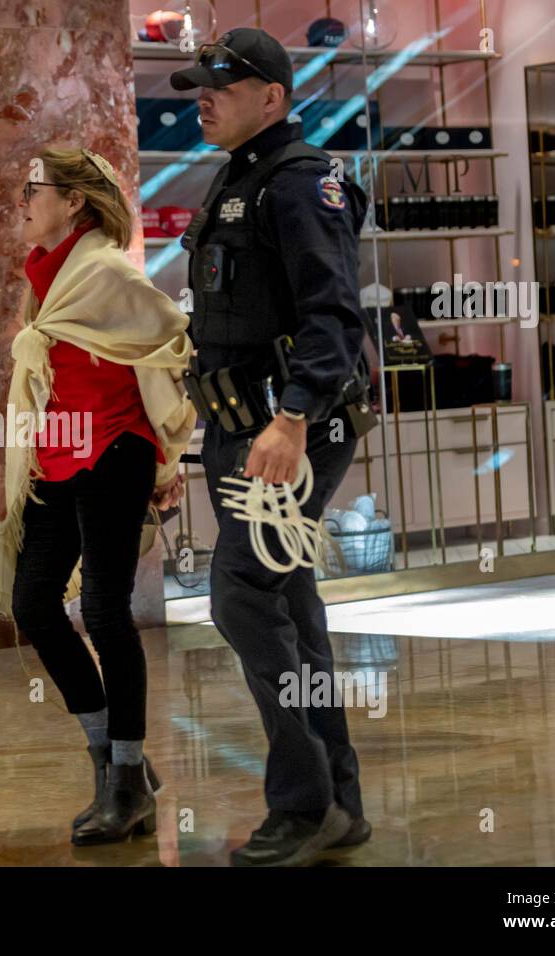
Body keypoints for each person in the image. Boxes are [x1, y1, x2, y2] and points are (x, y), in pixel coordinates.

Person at [170, 28, 372, 865]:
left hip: (290, 429)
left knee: (240, 593)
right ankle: (338, 800)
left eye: (220, 86)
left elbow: (333, 319)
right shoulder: (237, 177)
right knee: (286, 601)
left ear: (273, 98)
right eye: (199, 87)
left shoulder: (300, 183)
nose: (202, 99)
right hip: (238, 428)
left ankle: (302, 802)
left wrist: (291, 418)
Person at [0, 147, 196, 845]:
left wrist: (168, 454)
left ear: (73, 201)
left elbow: (166, 341)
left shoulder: (103, 269)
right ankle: (111, 763)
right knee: (34, 602)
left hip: (115, 448)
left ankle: (126, 781)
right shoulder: (46, 275)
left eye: (32, 187)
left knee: (105, 612)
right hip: (59, 455)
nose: (22, 199)